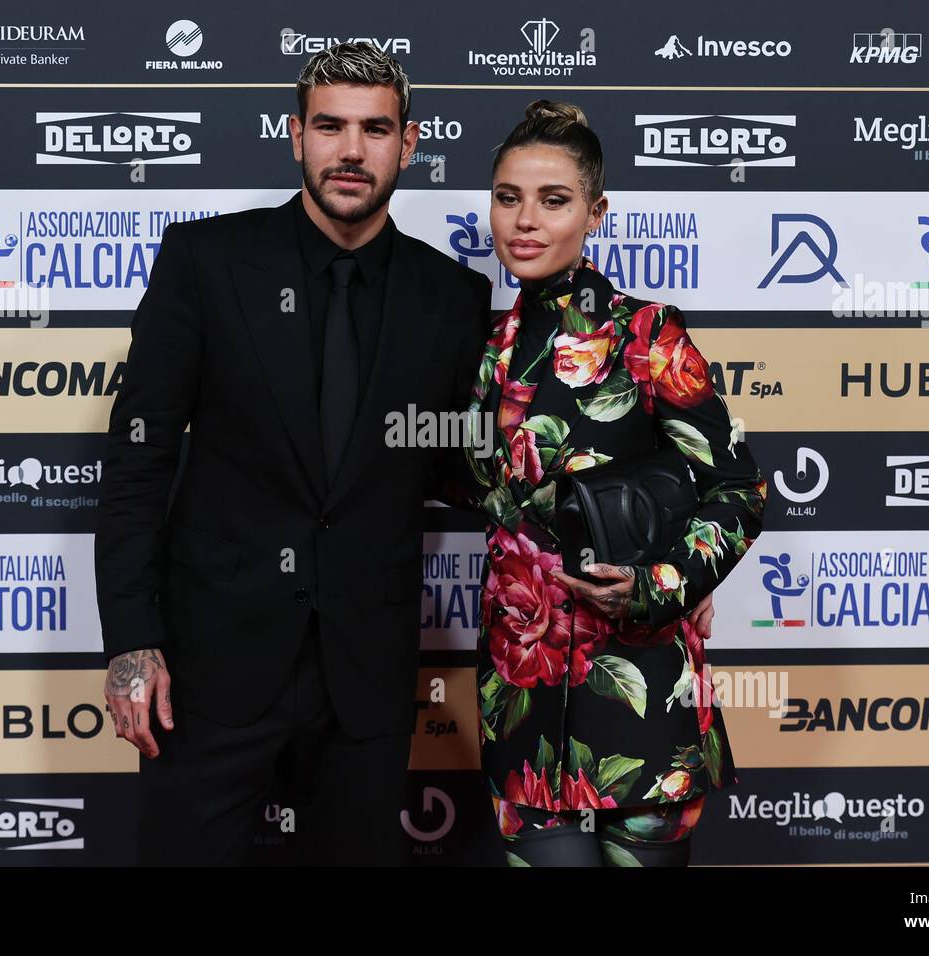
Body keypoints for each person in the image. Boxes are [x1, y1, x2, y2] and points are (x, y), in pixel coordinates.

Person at [93, 42, 491, 865]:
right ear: (294, 134)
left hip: (366, 675)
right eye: (330, 127)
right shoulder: (206, 263)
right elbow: (140, 457)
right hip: (209, 670)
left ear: (409, 143)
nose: (352, 151)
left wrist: (658, 563)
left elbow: (471, 470)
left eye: (375, 129)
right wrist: (132, 640)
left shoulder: (452, 296)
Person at [462, 101, 768, 866]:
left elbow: (738, 488)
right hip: (522, 704)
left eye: (553, 200)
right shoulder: (478, 352)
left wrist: (659, 583)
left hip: (641, 695)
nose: (524, 221)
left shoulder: (647, 335)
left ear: (596, 212)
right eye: (508, 198)